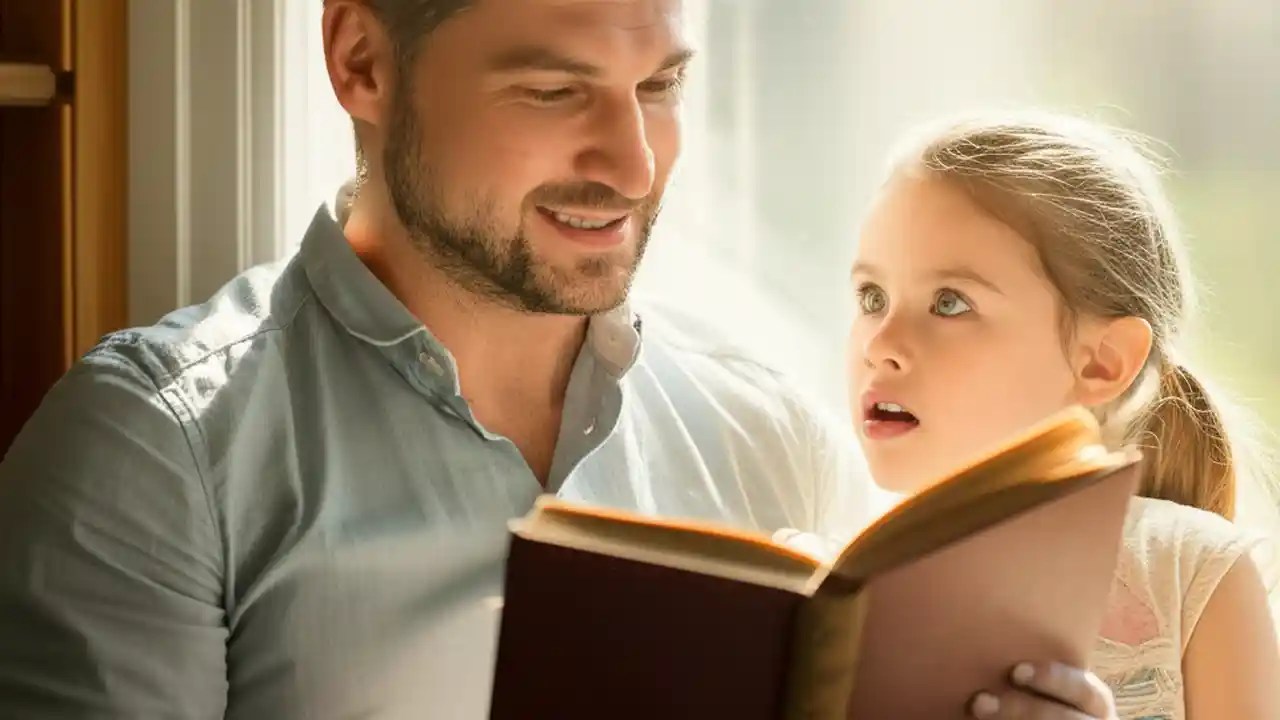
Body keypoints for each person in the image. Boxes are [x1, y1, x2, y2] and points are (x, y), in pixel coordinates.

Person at [0, 2, 1120, 717]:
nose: (630, 164)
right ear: (361, 65)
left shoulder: (761, 431)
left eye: (659, 88)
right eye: (551, 90)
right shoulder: (155, 454)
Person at [843, 110, 1280, 719]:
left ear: (1102, 362)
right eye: (872, 298)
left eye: (949, 302)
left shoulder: (1193, 577)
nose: (879, 343)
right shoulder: (837, 589)